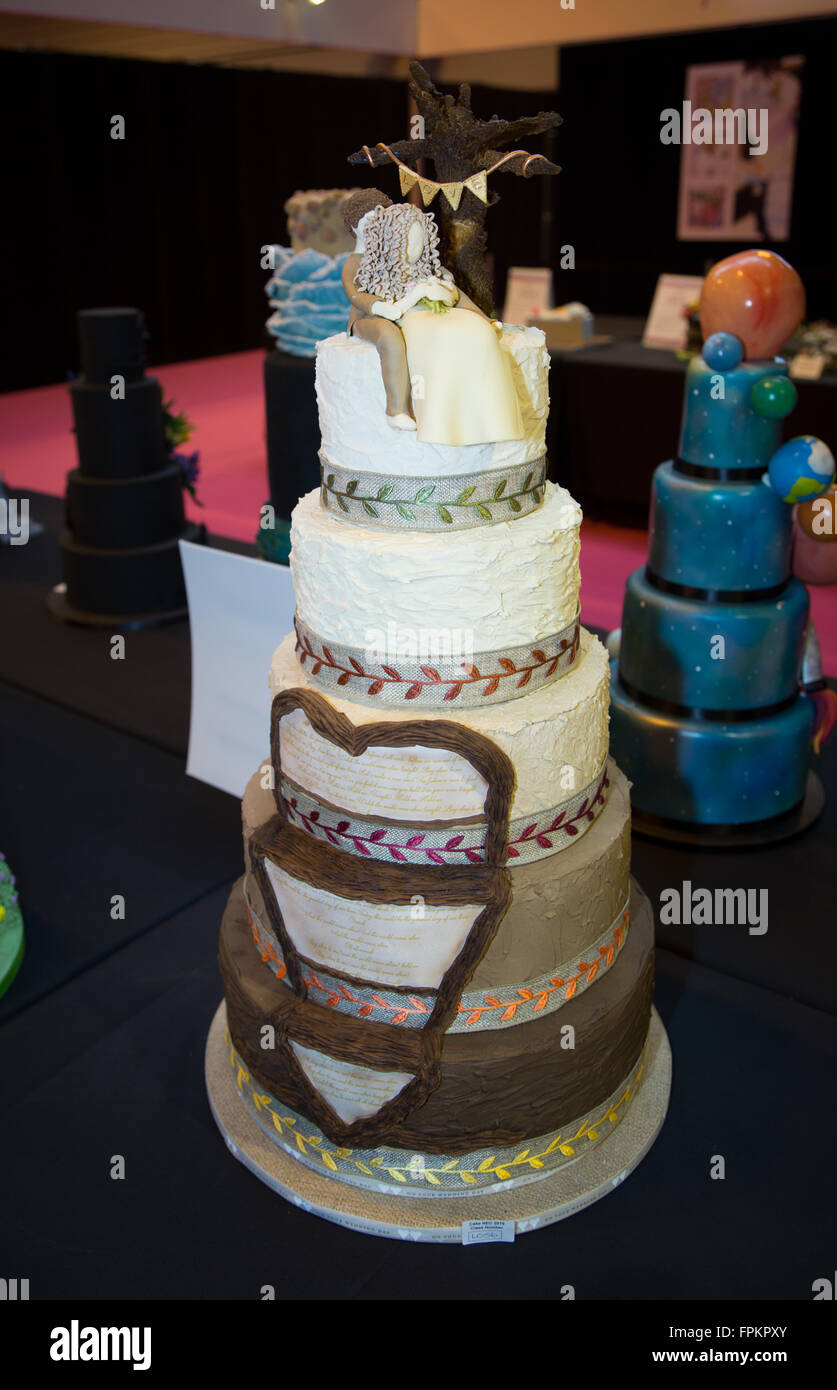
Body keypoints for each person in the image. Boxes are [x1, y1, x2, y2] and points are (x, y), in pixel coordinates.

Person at [341, 190, 523, 445]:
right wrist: (389, 306)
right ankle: (395, 408)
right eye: (369, 222)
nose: (374, 227)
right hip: (369, 315)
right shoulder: (357, 262)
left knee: (455, 312)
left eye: (380, 220)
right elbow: (356, 295)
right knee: (390, 338)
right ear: (354, 227)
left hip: (408, 311)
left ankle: (483, 324)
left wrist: (435, 289)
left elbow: (442, 281)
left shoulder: (403, 256)